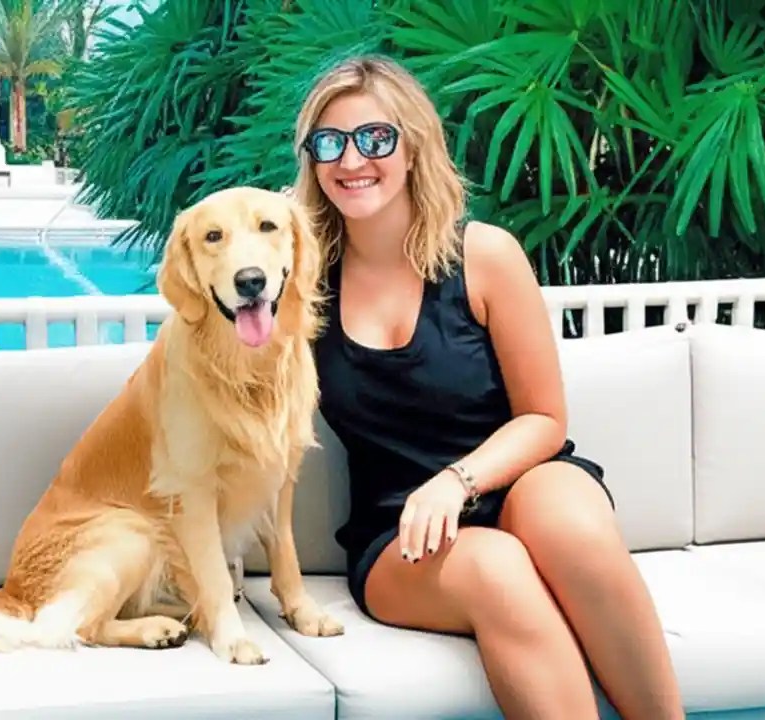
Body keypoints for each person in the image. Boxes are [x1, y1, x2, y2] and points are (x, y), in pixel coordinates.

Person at [289, 55, 686, 720]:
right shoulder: (301, 281)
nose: (352, 159)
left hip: (518, 476)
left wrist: (458, 480)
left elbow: (543, 418)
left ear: (414, 147)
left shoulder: (485, 256)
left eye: (376, 138)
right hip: (400, 531)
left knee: (571, 531)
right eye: (329, 142)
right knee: (499, 568)